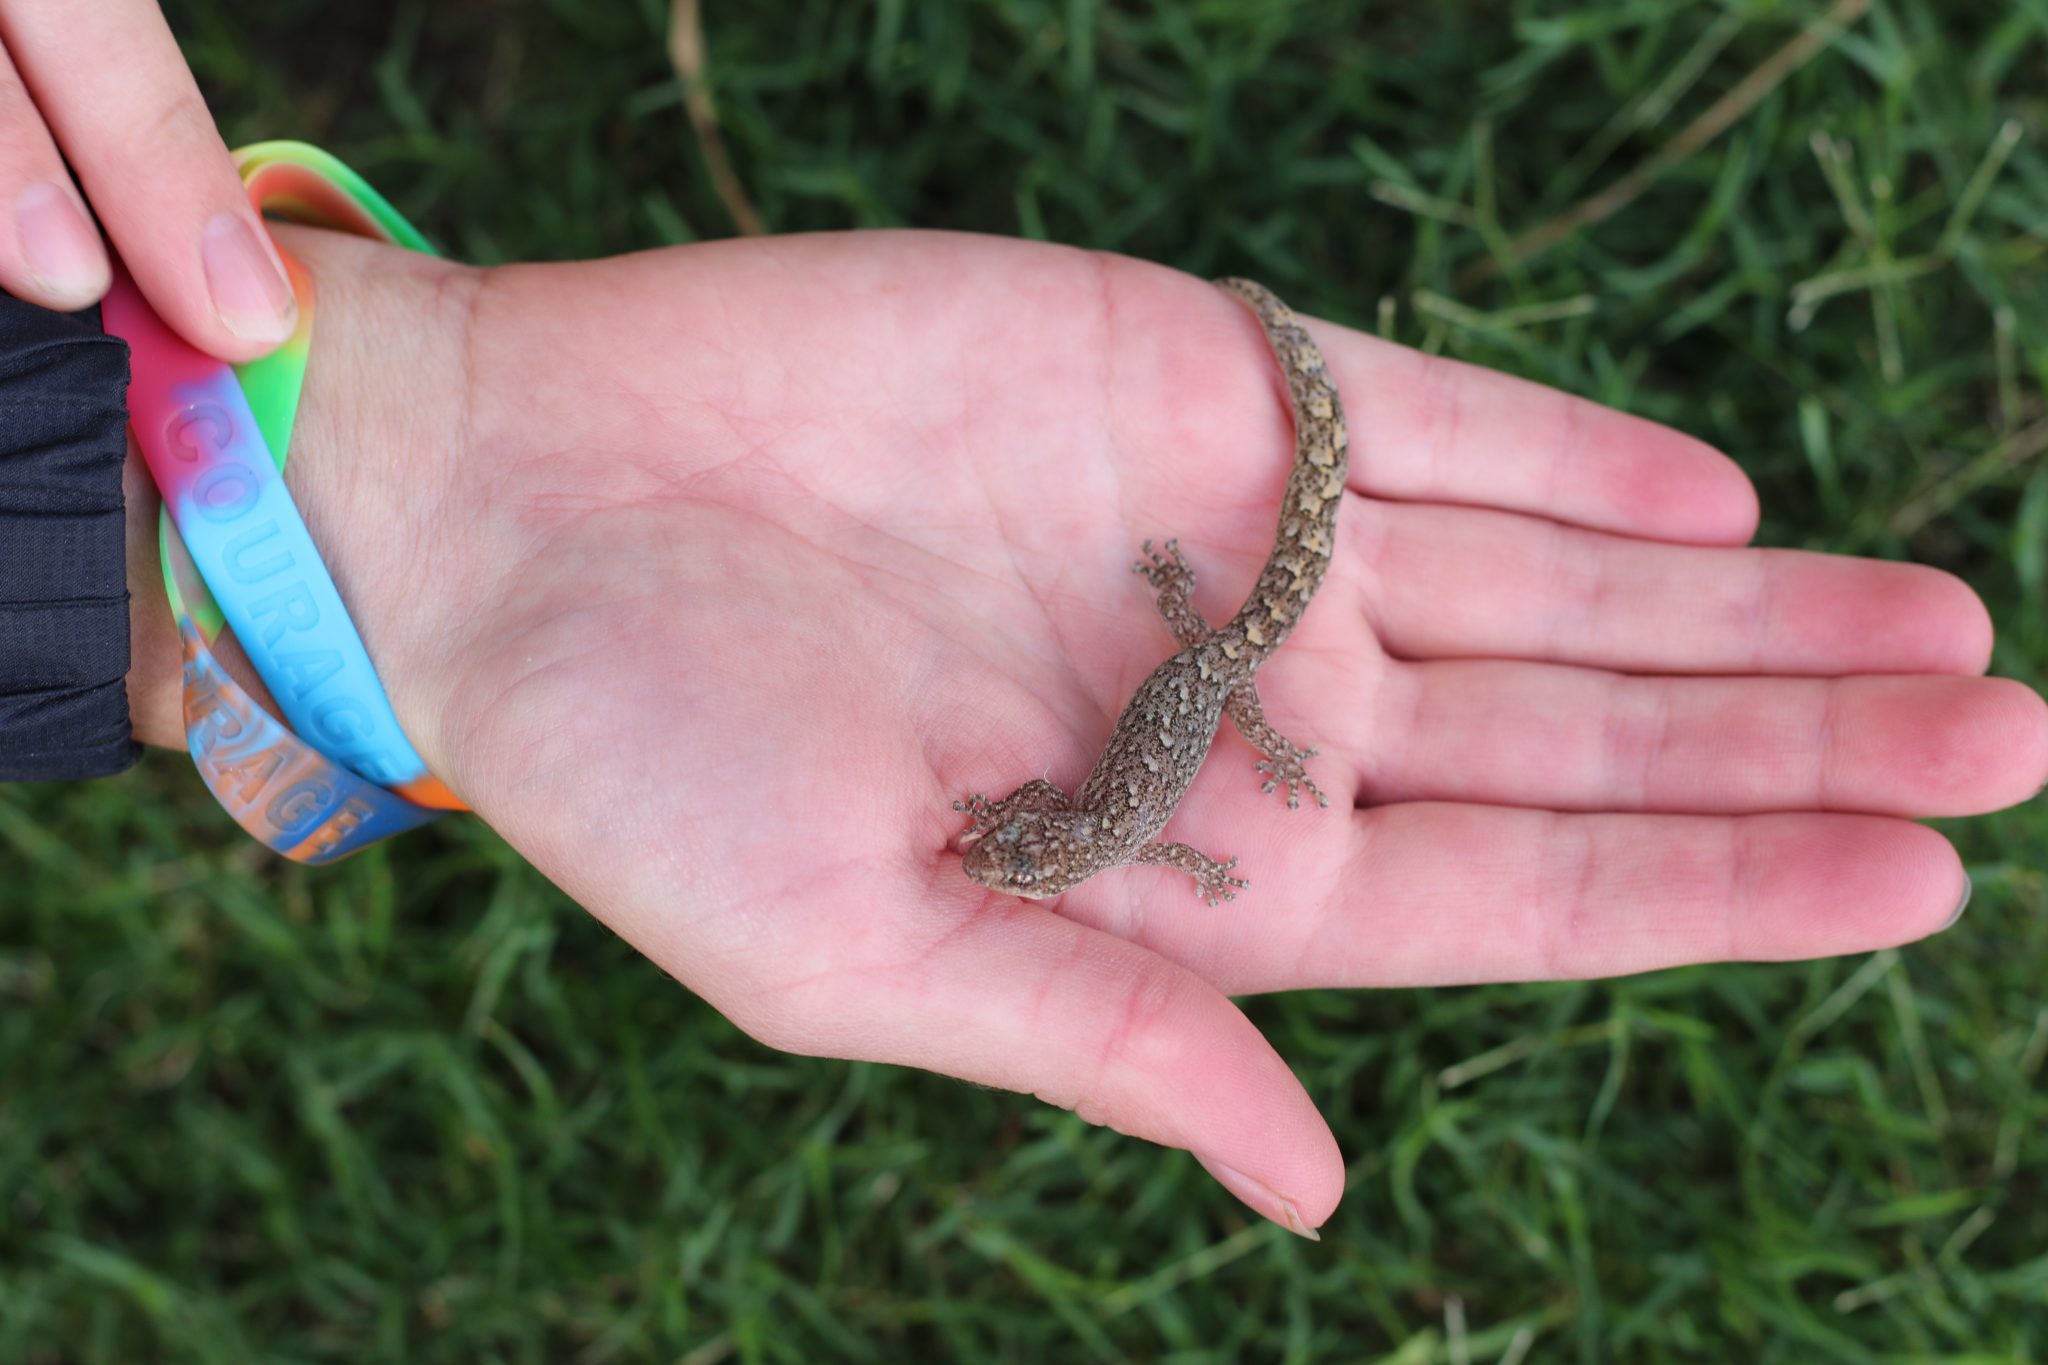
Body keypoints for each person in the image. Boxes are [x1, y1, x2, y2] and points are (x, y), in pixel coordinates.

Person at [4, 4, 2045, 1241]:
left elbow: (1131, 783)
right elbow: (1112, 802)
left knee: (1231, 651)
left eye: (995, 849)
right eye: (1000, 848)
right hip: (1195, 667)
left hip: (1207, 666)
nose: (986, 847)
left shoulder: (1097, 812)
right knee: (1225, 649)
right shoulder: (1089, 819)